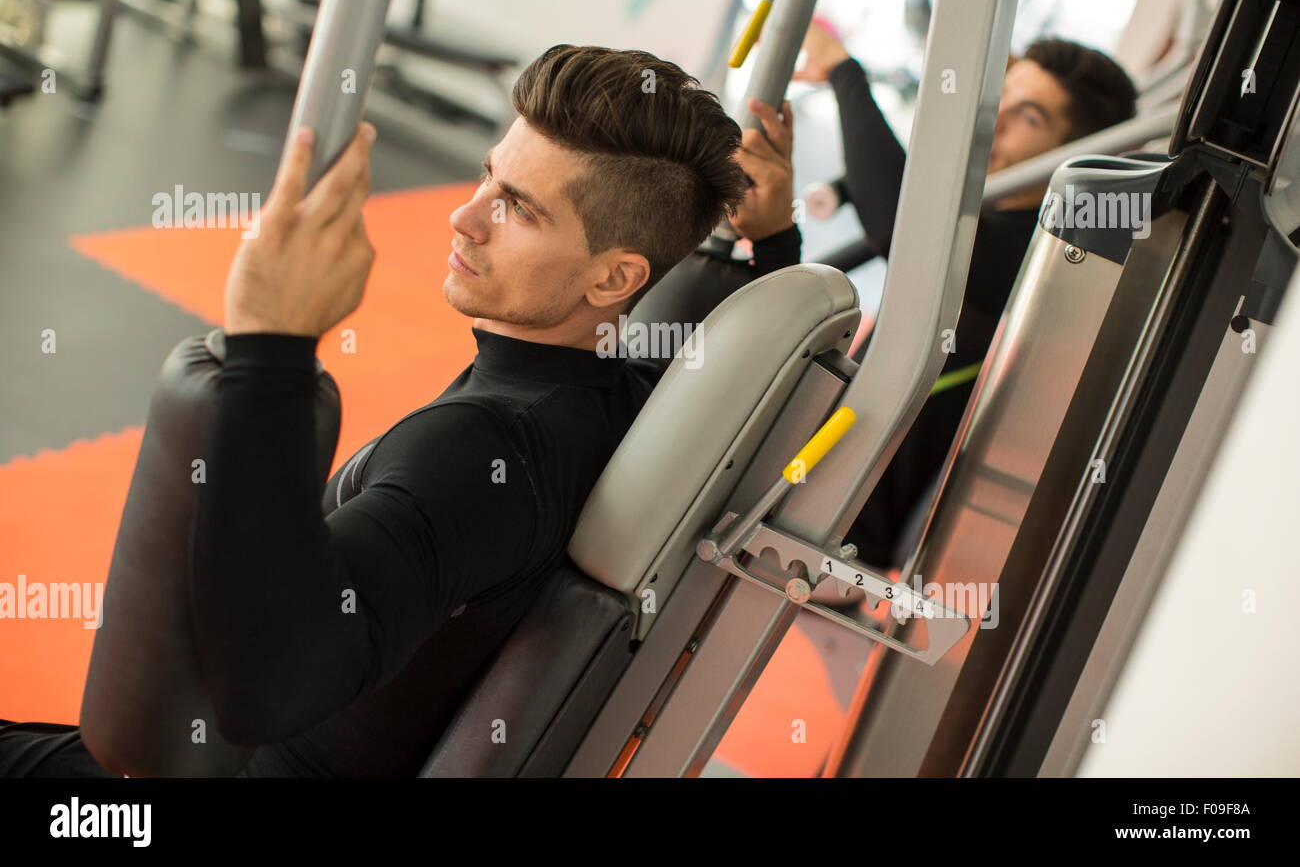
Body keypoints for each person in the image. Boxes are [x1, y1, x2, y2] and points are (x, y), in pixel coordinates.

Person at [0, 43, 804, 777]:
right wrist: (772, 243)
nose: (465, 213)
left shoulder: (479, 451)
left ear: (614, 280)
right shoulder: (631, 405)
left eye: (519, 208)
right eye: (490, 175)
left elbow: (263, 692)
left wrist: (271, 346)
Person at [795, 22, 1138, 570]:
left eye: (1029, 117)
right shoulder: (990, 217)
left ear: (1071, 155)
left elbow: (903, 228)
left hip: (839, 530)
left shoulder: (1028, 257)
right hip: (812, 483)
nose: (995, 120)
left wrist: (844, 72)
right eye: (1005, 96)